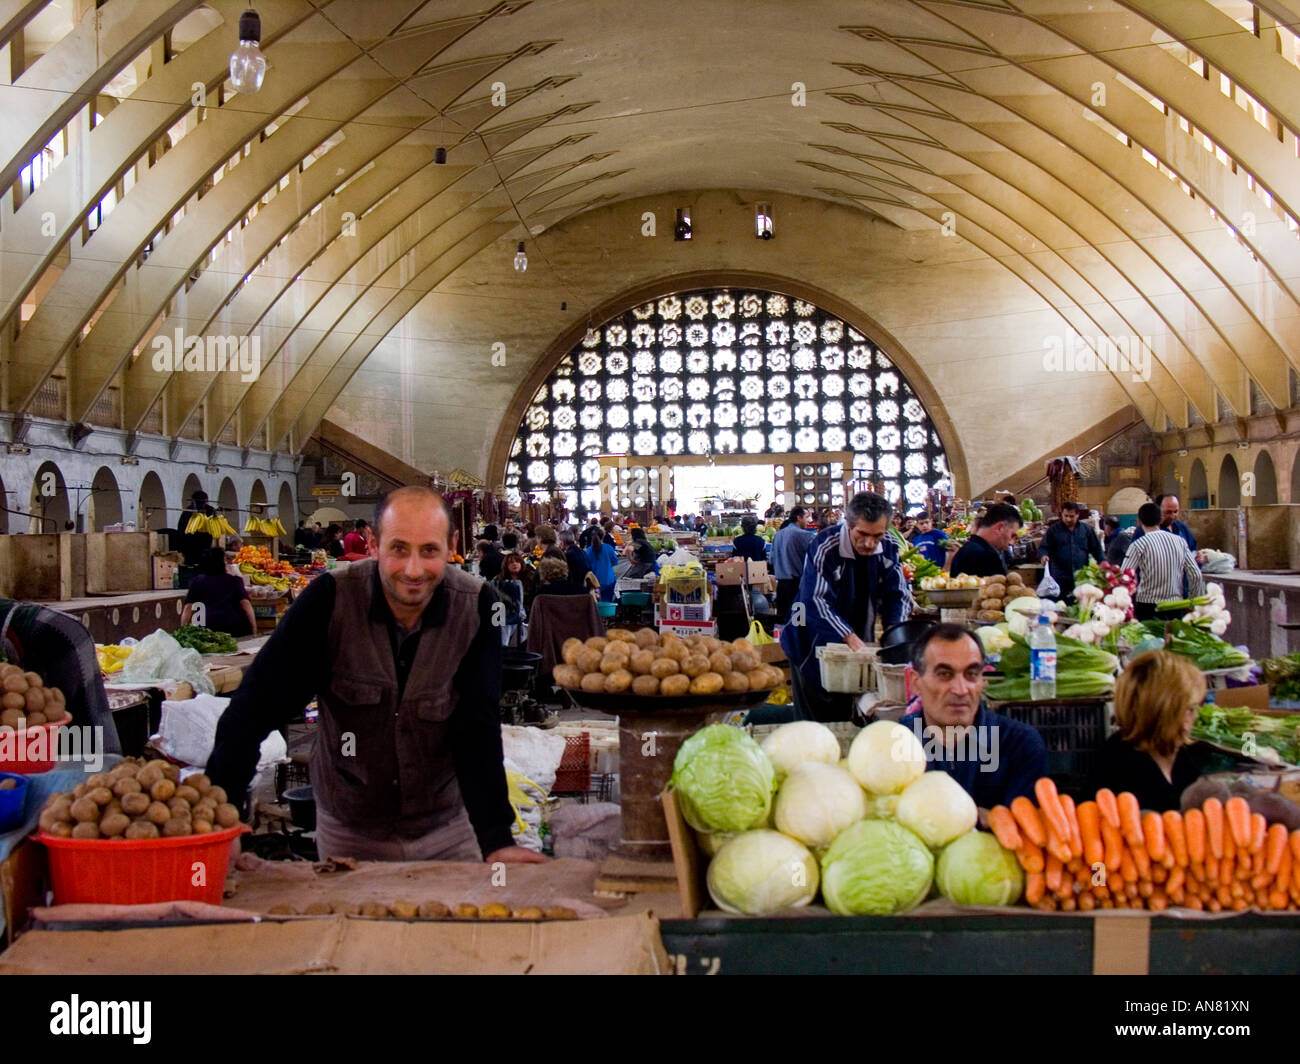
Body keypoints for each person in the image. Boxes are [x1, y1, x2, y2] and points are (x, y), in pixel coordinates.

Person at [206, 486, 545, 865]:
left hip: (446, 828)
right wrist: (226, 818)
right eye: (399, 548)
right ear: (372, 544)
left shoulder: (476, 606)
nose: (414, 570)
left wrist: (496, 839)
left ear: (451, 546)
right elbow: (253, 709)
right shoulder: (329, 601)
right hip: (350, 829)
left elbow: (476, 727)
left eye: (429, 551)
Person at [779, 492, 912, 722]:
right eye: (862, 534)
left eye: (877, 536)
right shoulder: (825, 545)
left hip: (853, 631)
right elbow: (816, 601)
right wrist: (849, 637)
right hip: (806, 631)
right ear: (849, 525)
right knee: (817, 714)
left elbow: (898, 595)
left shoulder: (888, 547)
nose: (869, 543)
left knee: (850, 709)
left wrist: (894, 636)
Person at [899, 624, 1048, 809]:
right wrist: (982, 818)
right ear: (916, 682)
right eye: (944, 674)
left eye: (971, 674)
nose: (961, 690)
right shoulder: (896, 745)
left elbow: (1023, 827)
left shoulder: (1019, 744)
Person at [1094, 650, 1208, 811]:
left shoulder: (1182, 754)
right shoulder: (1119, 765)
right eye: (1189, 709)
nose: (1194, 717)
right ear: (1163, 711)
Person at [1122, 502, 1204, 620]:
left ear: (1139, 521)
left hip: (1147, 607)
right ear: (1161, 519)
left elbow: (1125, 576)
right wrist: (1193, 602)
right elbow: (1196, 574)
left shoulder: (1138, 545)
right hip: (1176, 606)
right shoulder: (1180, 542)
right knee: (1172, 638)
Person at [181, 547, 256, 637]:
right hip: (234, 627)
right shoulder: (234, 580)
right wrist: (254, 628)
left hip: (206, 628)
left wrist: (183, 631)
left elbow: (188, 608)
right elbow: (245, 604)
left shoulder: (197, 581)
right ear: (222, 563)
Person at [1038, 501, 1102, 601]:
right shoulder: (1053, 530)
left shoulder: (1087, 530)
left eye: (1071, 516)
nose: (1068, 519)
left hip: (1080, 578)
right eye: (1065, 516)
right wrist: (1043, 555)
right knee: (1061, 606)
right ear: (1062, 515)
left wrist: (1104, 566)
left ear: (1077, 515)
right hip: (1059, 578)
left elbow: (1097, 550)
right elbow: (1043, 547)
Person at [949, 502, 1022, 578]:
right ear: (1000, 528)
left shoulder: (971, 549)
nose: (1012, 543)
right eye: (1012, 535)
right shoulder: (981, 556)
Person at [771, 507, 816, 623]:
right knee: (798, 623)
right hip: (796, 588)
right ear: (798, 518)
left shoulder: (777, 535)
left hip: (781, 587)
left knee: (783, 623)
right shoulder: (804, 535)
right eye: (806, 517)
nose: (808, 521)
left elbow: (771, 560)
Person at [493, 552, 528, 648]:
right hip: (506, 615)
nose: (514, 564)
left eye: (517, 561)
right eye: (511, 563)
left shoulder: (529, 579)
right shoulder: (498, 581)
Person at [586, 526, 619, 602]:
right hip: (608, 579)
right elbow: (615, 562)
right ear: (603, 536)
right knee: (607, 602)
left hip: (594, 581)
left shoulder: (589, 550)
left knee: (595, 602)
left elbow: (586, 564)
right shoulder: (609, 548)